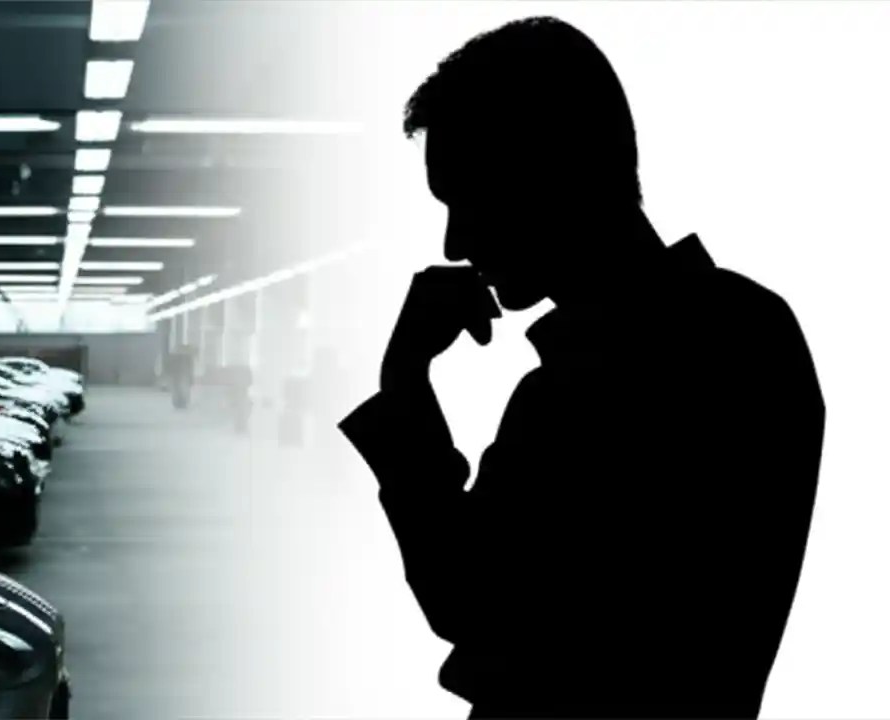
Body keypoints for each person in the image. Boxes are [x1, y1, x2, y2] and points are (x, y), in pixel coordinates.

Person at [338, 16, 825, 719]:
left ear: (549, 175)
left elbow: (464, 598)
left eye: (467, 201)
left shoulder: (588, 386)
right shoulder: (756, 329)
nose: (455, 240)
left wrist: (405, 378)